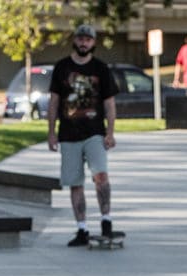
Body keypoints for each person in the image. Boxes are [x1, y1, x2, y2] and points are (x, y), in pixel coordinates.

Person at [47, 23, 119, 247]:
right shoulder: (62, 68)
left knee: (101, 175)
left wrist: (110, 132)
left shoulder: (100, 69)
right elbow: (54, 102)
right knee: (75, 183)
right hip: (68, 135)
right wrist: (51, 132)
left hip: (94, 132)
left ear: (93, 43)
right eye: (80, 39)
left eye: (88, 40)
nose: (83, 43)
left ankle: (106, 221)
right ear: (74, 40)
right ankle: (82, 229)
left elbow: (109, 103)